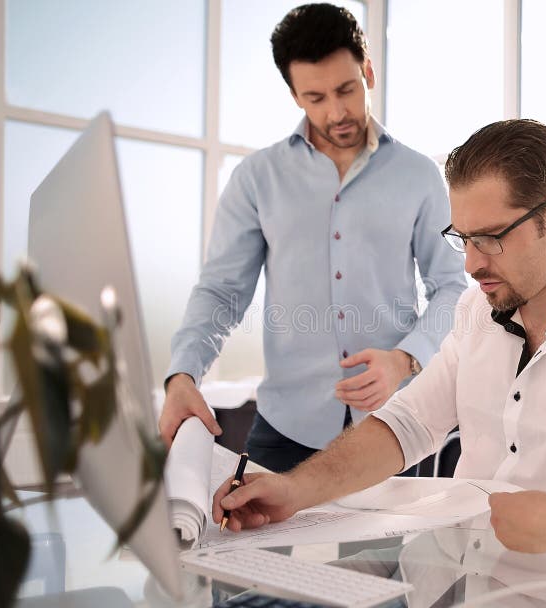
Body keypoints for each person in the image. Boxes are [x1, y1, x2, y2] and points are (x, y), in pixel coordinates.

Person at [211, 118, 546, 556]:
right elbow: (408, 424)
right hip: (440, 582)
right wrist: (294, 490)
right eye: (464, 238)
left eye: (492, 238)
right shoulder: (476, 309)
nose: (471, 265)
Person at [159, 3, 466, 474]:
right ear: (294, 95)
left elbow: (451, 286)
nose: (337, 111)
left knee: (393, 552)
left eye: (346, 89)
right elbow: (223, 290)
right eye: (315, 97)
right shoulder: (257, 178)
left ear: (368, 72)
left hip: (395, 424)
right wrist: (183, 374)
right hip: (286, 428)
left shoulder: (420, 176)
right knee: (246, 545)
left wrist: (406, 360)